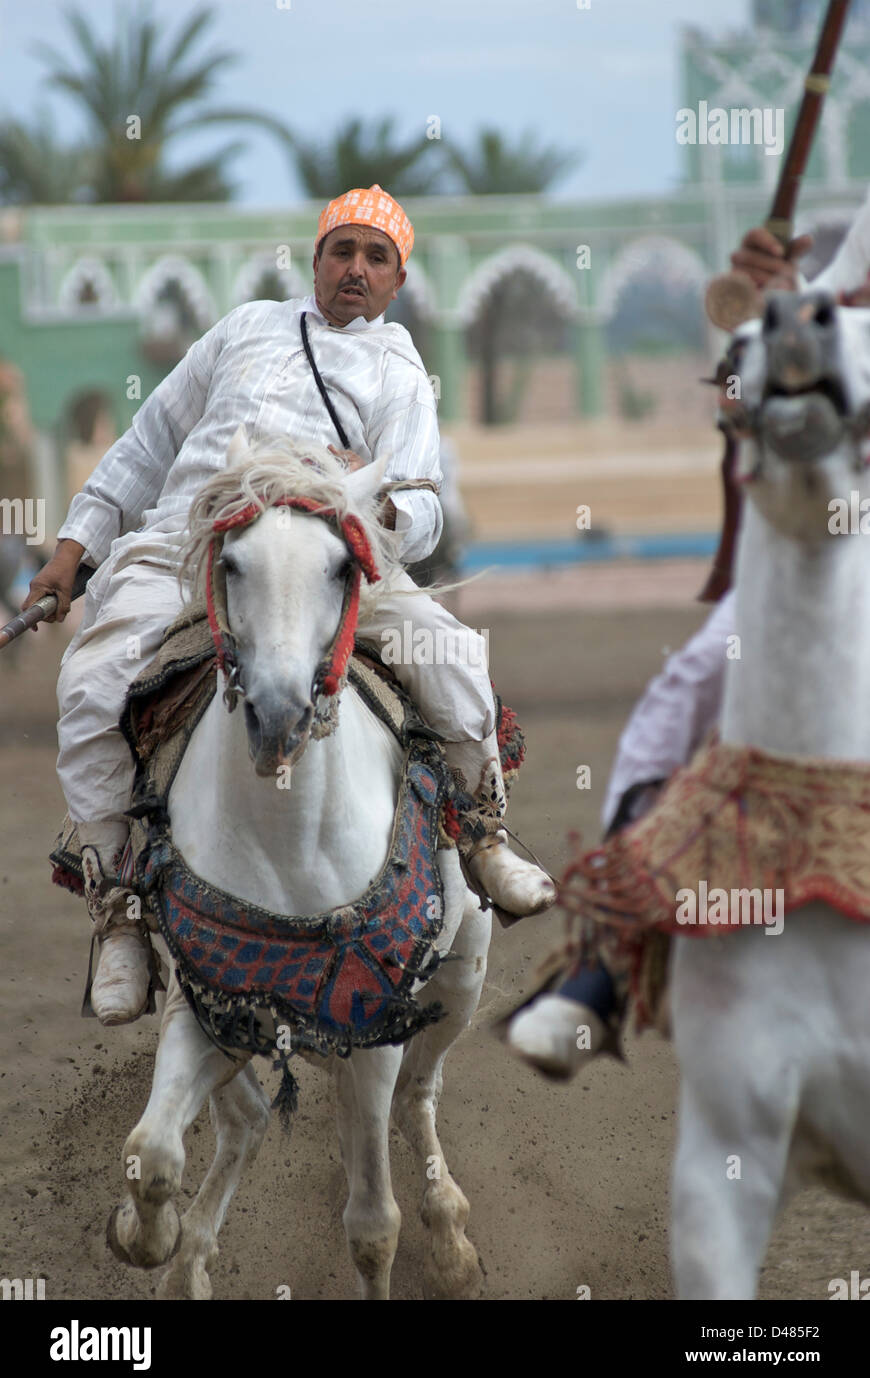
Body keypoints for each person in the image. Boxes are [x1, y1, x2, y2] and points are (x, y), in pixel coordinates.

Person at [29, 184, 555, 1027]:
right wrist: (70, 554)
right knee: (89, 683)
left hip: (331, 551)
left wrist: (373, 511)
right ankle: (121, 910)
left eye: (375, 257)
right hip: (191, 541)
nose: (356, 268)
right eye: (342, 251)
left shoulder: (398, 369)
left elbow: (421, 503)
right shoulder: (241, 330)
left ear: (397, 280)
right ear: (315, 262)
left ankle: (483, 834)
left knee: (452, 655)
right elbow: (146, 444)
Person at [508, 190, 870, 1077]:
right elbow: (778, 387)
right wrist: (782, 312)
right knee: (699, 673)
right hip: (841, 541)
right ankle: (603, 957)